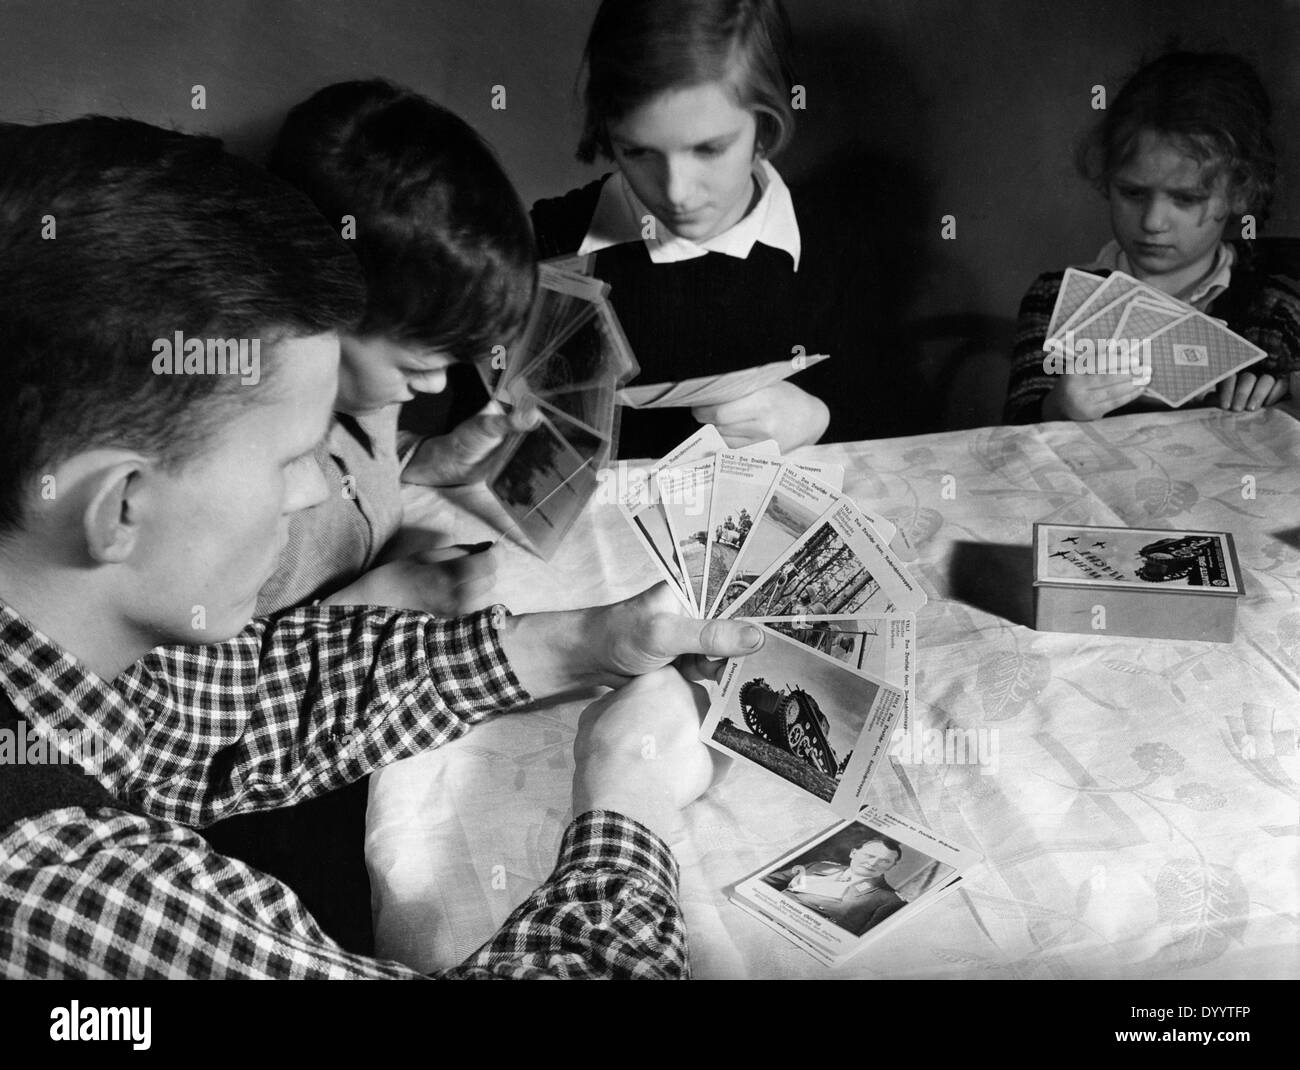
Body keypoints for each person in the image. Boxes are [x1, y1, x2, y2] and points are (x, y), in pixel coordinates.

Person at [0, 117, 765, 978]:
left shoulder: (52, 648)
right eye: (294, 458)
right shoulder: (54, 893)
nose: (316, 489)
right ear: (123, 507)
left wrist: (586, 641)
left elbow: (246, 701)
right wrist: (628, 788)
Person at [532, 0, 910, 458]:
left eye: (709, 149)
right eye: (639, 152)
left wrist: (821, 419)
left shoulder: (838, 254)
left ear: (765, 128)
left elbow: (899, 428)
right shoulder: (547, 241)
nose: (677, 193)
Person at [256, 79, 543, 617]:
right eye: (415, 367)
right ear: (318, 312)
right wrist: (366, 604)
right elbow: (194, 679)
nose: (434, 386)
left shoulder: (366, 392)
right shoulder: (241, 470)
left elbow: (360, 475)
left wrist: (433, 457)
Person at [1004, 51, 1300, 424]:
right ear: (1107, 180)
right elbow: (1017, 426)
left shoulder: (1278, 307)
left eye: (1186, 198)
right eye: (1133, 193)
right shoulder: (1053, 299)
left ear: (1240, 192)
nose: (1153, 221)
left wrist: (1282, 397)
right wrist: (1057, 408)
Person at [763, 833, 905, 936]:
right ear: (853, 853)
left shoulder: (890, 900)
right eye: (869, 856)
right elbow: (769, 881)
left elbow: (859, 939)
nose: (873, 863)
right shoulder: (820, 866)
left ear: (892, 866)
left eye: (885, 861)